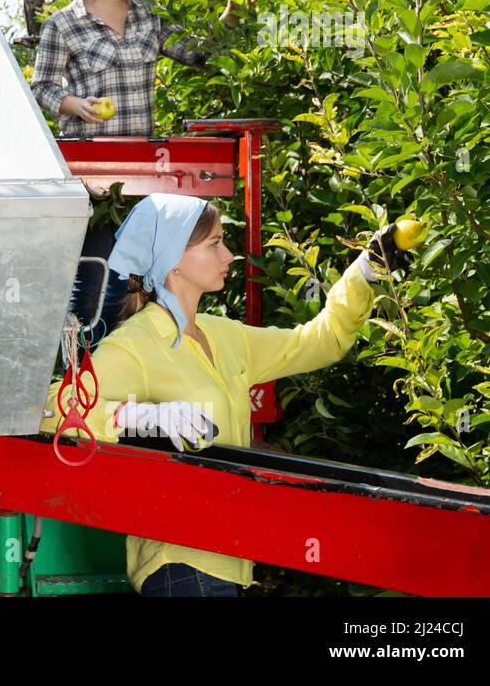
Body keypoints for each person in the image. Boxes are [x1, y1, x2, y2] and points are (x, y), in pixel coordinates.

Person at [41, 193, 414, 596]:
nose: (230, 255)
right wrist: (137, 417)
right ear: (174, 260)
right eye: (215, 244)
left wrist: (361, 275)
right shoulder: (135, 344)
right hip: (179, 564)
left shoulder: (224, 334)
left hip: (230, 556)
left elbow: (320, 342)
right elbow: (53, 410)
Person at [30, 0, 214, 345]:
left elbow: (198, 54)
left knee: (142, 284)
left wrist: (229, 14)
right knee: (94, 279)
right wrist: (74, 104)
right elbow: (41, 87)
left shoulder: (147, 19)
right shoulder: (63, 25)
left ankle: (137, 380)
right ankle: (80, 381)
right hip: (92, 179)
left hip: (145, 172)